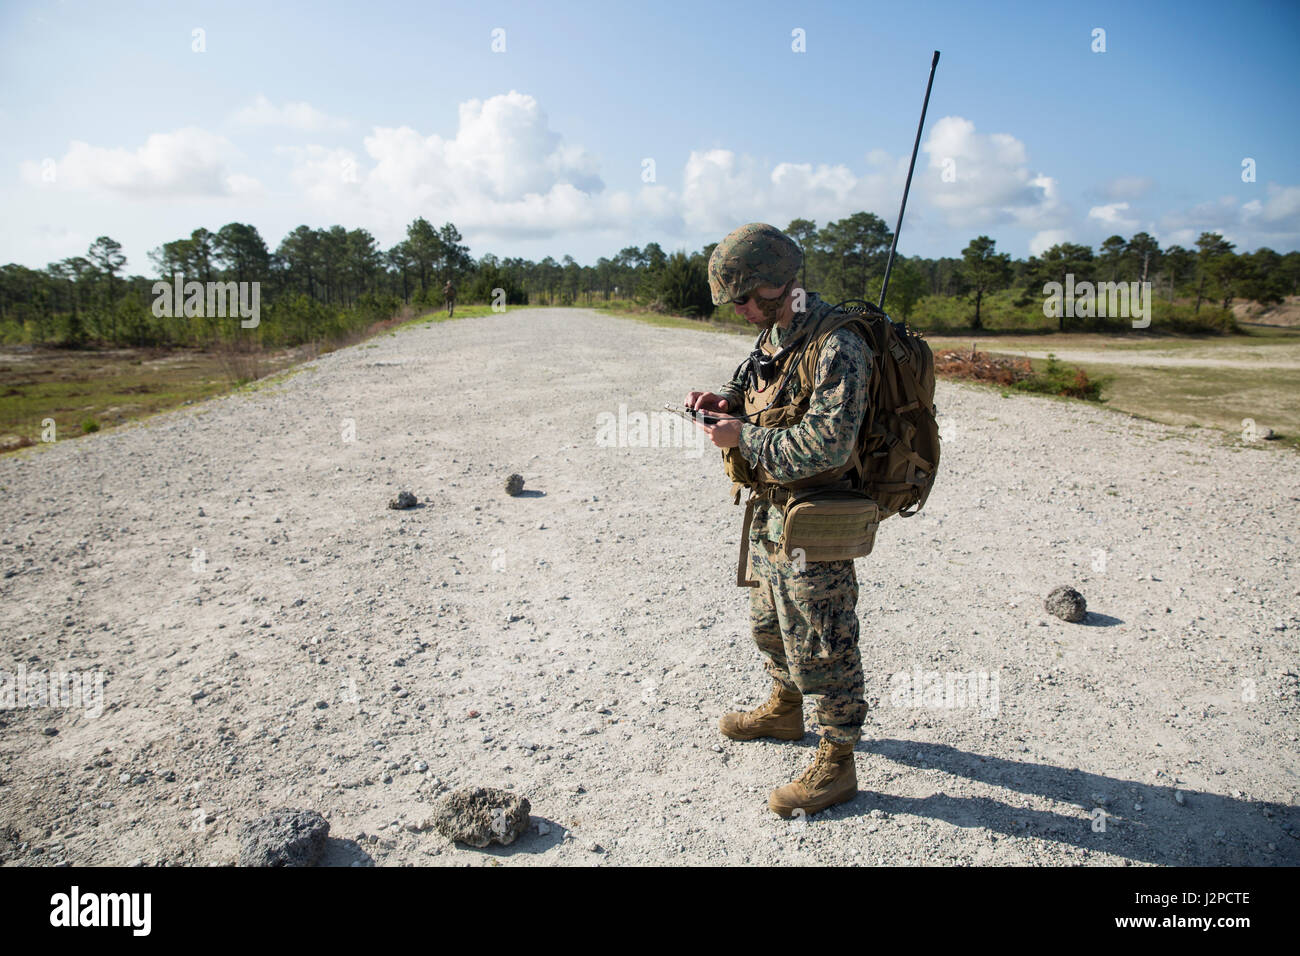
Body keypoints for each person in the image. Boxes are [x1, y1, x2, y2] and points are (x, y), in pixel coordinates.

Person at [684, 222, 872, 818]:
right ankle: (785, 709)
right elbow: (751, 393)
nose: (739, 311)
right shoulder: (772, 336)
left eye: (744, 298)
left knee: (823, 637)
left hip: (819, 520)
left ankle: (837, 761)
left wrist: (746, 438)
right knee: (770, 623)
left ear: (779, 283)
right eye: (733, 301)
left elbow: (830, 445)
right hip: (772, 511)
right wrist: (722, 405)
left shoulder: (838, 344)